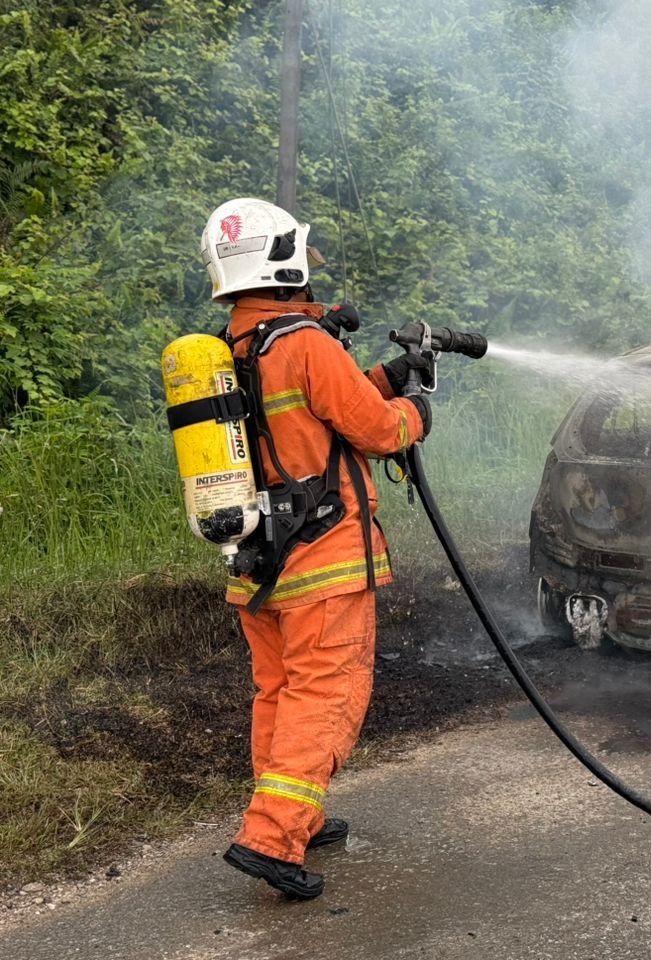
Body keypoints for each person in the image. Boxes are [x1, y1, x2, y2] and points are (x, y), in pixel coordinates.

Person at [199, 197, 431, 899]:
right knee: (326, 698)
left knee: (279, 693)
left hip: (260, 564)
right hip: (323, 561)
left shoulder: (237, 346)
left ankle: (297, 813)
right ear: (284, 263)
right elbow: (377, 431)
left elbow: (320, 410)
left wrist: (387, 378)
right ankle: (272, 839)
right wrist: (416, 410)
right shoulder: (304, 342)